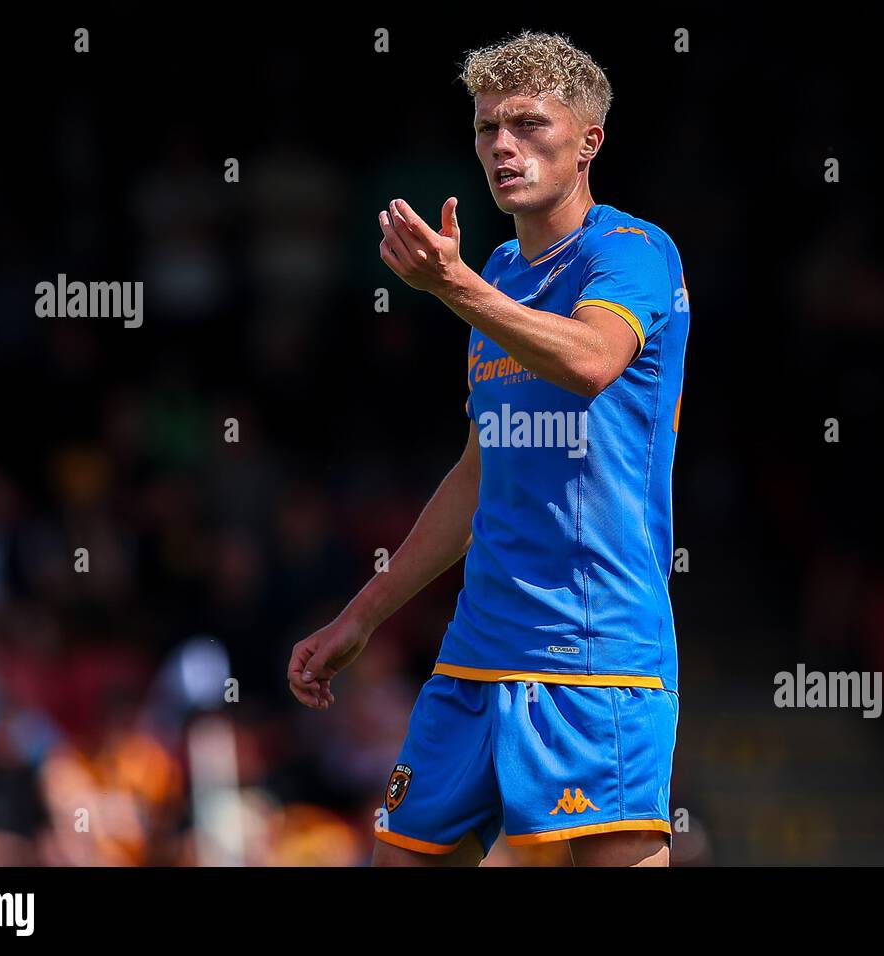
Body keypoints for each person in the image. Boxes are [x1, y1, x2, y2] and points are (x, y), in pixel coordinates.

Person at [288, 30, 690, 867]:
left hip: (597, 652)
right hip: (475, 651)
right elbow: (478, 471)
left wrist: (452, 286)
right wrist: (360, 618)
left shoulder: (633, 252)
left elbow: (589, 361)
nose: (503, 146)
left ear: (590, 142)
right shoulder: (501, 273)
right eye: (486, 129)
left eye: (529, 124)